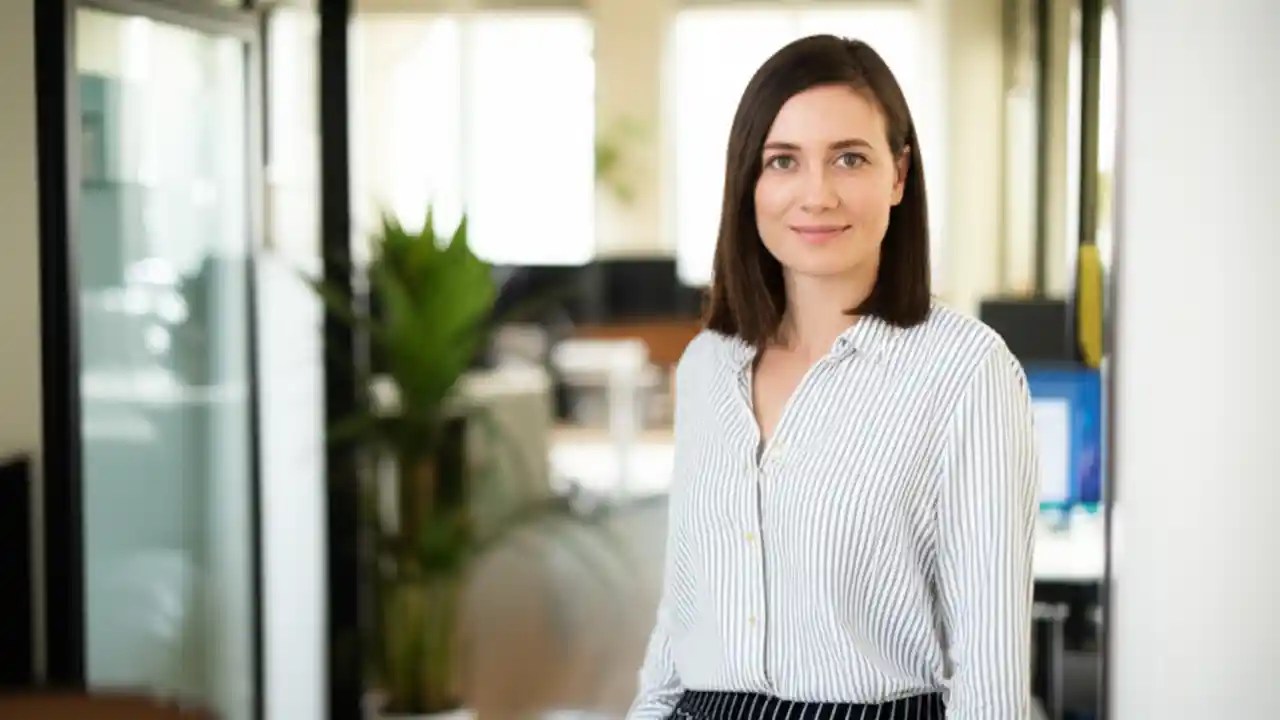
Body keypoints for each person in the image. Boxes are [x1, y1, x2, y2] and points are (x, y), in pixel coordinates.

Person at [626, 35, 1038, 720]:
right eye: (783, 161)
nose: (816, 195)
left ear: (899, 176)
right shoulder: (707, 364)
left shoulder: (967, 372)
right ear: (749, 183)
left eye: (850, 158)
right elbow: (682, 611)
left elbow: (989, 665)